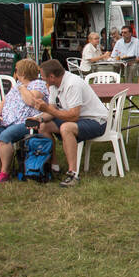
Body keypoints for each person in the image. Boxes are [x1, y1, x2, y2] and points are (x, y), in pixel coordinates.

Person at [35, 59, 109, 187]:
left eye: (43, 76)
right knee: (43, 127)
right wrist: (39, 118)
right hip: (80, 118)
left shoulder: (72, 84)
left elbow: (73, 116)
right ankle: (54, 166)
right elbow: (53, 110)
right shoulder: (53, 86)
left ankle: (73, 174)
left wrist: (47, 109)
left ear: (51, 76)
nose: (42, 79)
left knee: (66, 128)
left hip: (97, 121)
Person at [0, 58, 48, 183]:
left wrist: (22, 88)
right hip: (6, 120)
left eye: (16, 70)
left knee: (5, 136)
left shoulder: (38, 84)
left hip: (25, 122)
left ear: (23, 73)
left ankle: (5, 172)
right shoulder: (17, 85)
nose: (15, 72)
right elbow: (4, 101)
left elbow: (31, 101)